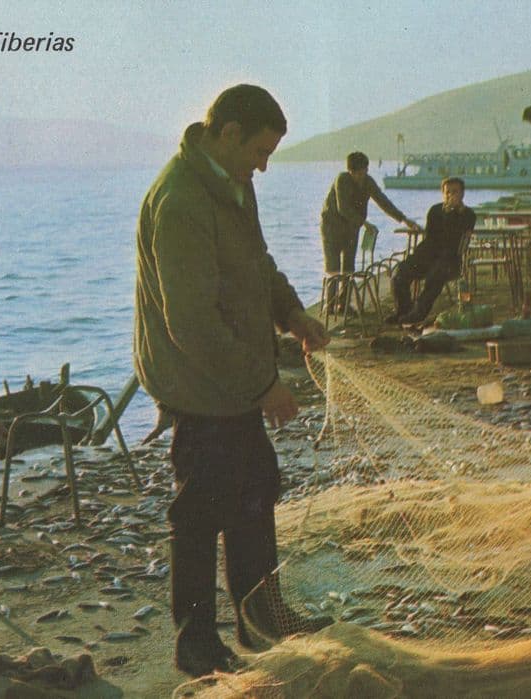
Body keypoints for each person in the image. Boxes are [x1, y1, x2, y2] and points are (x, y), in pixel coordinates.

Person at [133, 84, 332, 677]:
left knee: (255, 488)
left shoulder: (231, 183)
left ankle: (261, 621)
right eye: (260, 152)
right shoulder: (181, 200)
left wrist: (291, 313)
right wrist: (261, 386)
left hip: (233, 380)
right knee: (200, 508)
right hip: (196, 383)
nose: (264, 167)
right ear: (227, 134)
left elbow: (257, 263)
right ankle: (195, 643)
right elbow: (191, 322)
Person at [320, 151, 420, 310]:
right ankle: (329, 303)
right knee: (333, 266)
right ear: (350, 171)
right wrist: (365, 223)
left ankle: (343, 304)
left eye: (364, 171)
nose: (361, 176)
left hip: (352, 227)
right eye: (358, 173)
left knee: (349, 266)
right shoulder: (342, 180)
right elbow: (343, 208)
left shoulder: (368, 182)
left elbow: (383, 201)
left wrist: (403, 219)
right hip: (332, 226)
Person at [386, 177, 476, 324]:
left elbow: (453, 241)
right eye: (447, 192)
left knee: (435, 274)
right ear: (442, 194)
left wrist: (451, 214)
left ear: (462, 194)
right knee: (399, 272)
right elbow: (430, 239)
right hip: (427, 256)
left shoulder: (468, 215)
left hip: (450, 260)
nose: (450, 196)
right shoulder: (435, 211)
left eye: (455, 192)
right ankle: (403, 311)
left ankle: (418, 313)